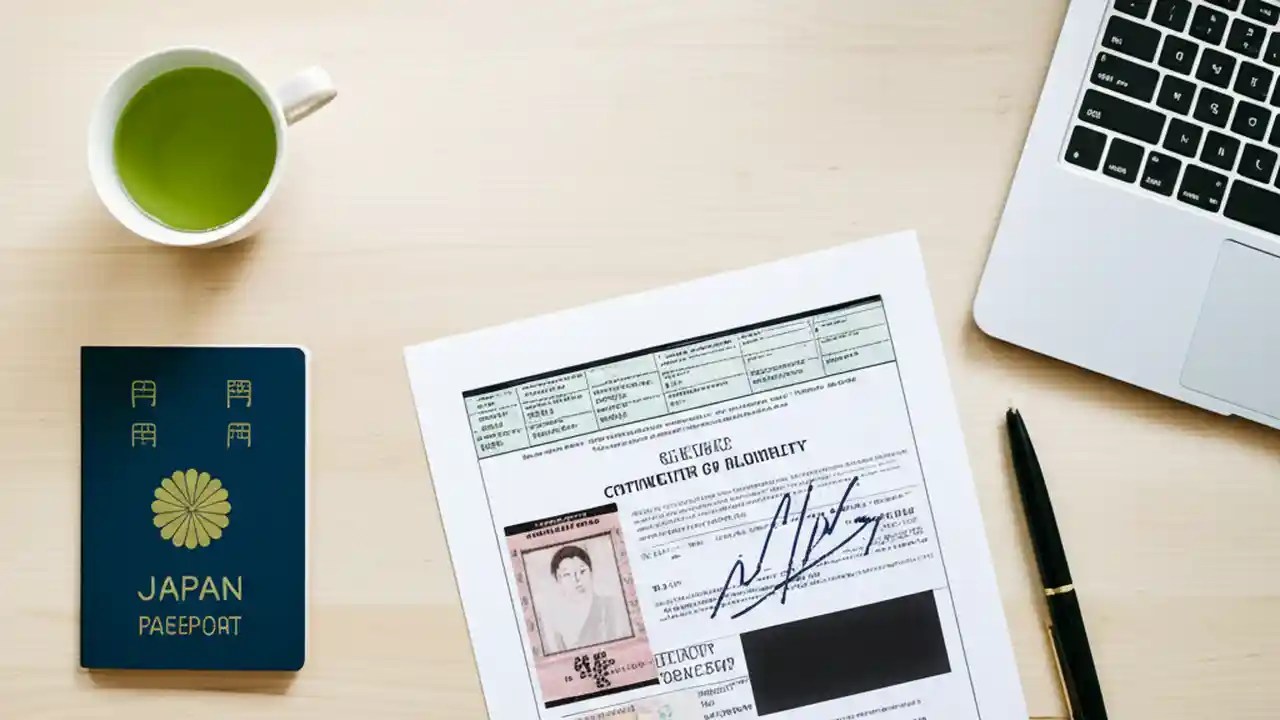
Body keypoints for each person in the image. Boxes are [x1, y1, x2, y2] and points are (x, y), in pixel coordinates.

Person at [545, 544, 627, 652]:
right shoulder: (554, 620)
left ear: (591, 572)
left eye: (582, 571)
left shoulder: (612, 606)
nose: (576, 579)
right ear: (558, 580)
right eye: (567, 575)